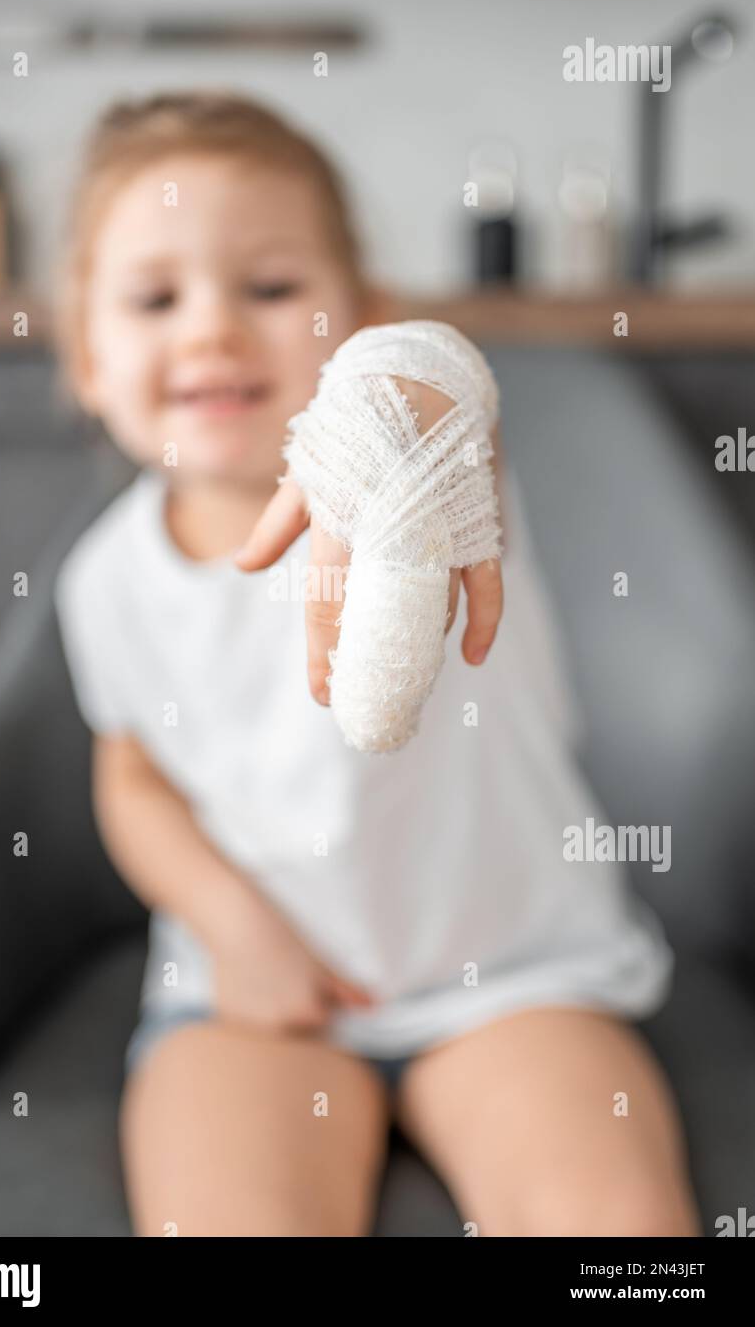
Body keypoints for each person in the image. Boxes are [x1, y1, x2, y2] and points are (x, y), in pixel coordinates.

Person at [52, 90, 700, 1237]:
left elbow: (428, 389)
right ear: (87, 361)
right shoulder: (103, 580)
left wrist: (395, 404)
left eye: (269, 287)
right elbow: (135, 776)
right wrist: (236, 930)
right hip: (257, 1001)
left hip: (505, 981)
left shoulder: (440, 485)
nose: (209, 329)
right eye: (155, 298)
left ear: (361, 319)